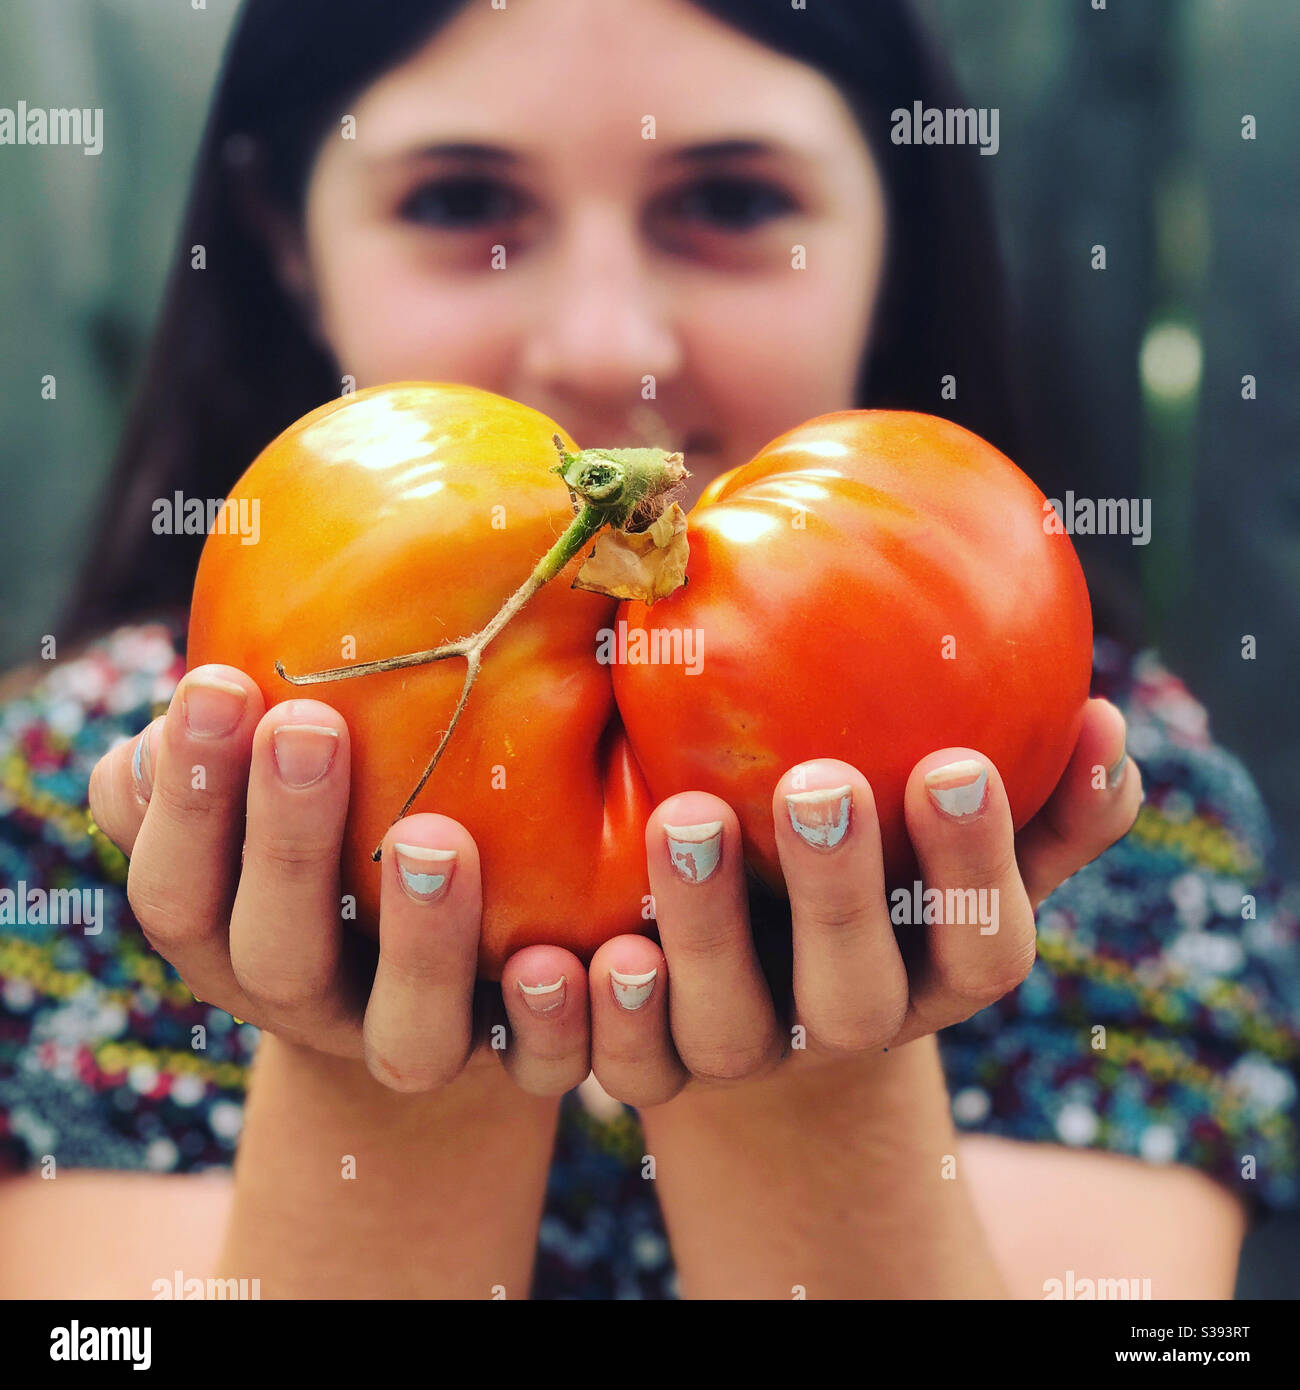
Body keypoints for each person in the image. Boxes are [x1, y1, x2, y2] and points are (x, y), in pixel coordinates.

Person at [2, 0, 1295, 1299]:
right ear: (285, 238)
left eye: (731, 202)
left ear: (894, 237)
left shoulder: (1105, 806)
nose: (608, 347)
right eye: (461, 203)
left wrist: (813, 1084)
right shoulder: (80, 812)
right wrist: (382, 1079)